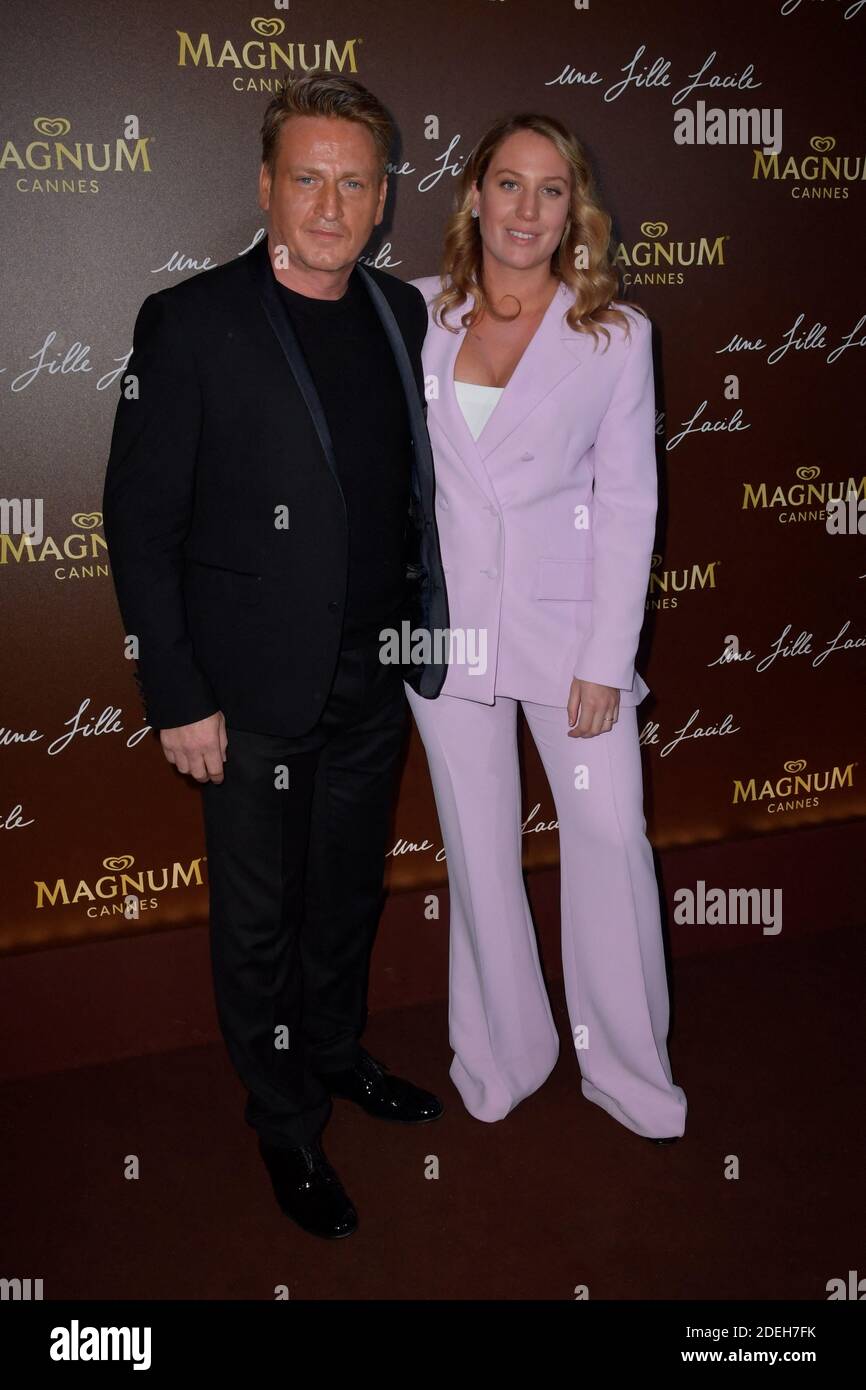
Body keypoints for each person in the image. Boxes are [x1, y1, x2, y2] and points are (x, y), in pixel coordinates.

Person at [102, 72, 450, 1241]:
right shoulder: (190, 321)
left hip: (372, 673)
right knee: (259, 919)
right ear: (265, 185)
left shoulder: (401, 314)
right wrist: (178, 693)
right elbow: (140, 524)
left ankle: (339, 1052)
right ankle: (286, 1122)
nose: (331, 202)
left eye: (355, 180)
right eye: (307, 177)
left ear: (383, 195)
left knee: (345, 892)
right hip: (246, 694)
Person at [405, 113, 687, 1142]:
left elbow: (627, 506)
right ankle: (502, 1053)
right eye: (508, 184)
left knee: (608, 838)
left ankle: (626, 1068)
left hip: (570, 639)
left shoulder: (614, 334)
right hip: (447, 639)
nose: (526, 209)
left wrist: (605, 659)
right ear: (473, 194)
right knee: (476, 854)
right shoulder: (415, 316)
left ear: (577, 209)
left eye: (550, 189)